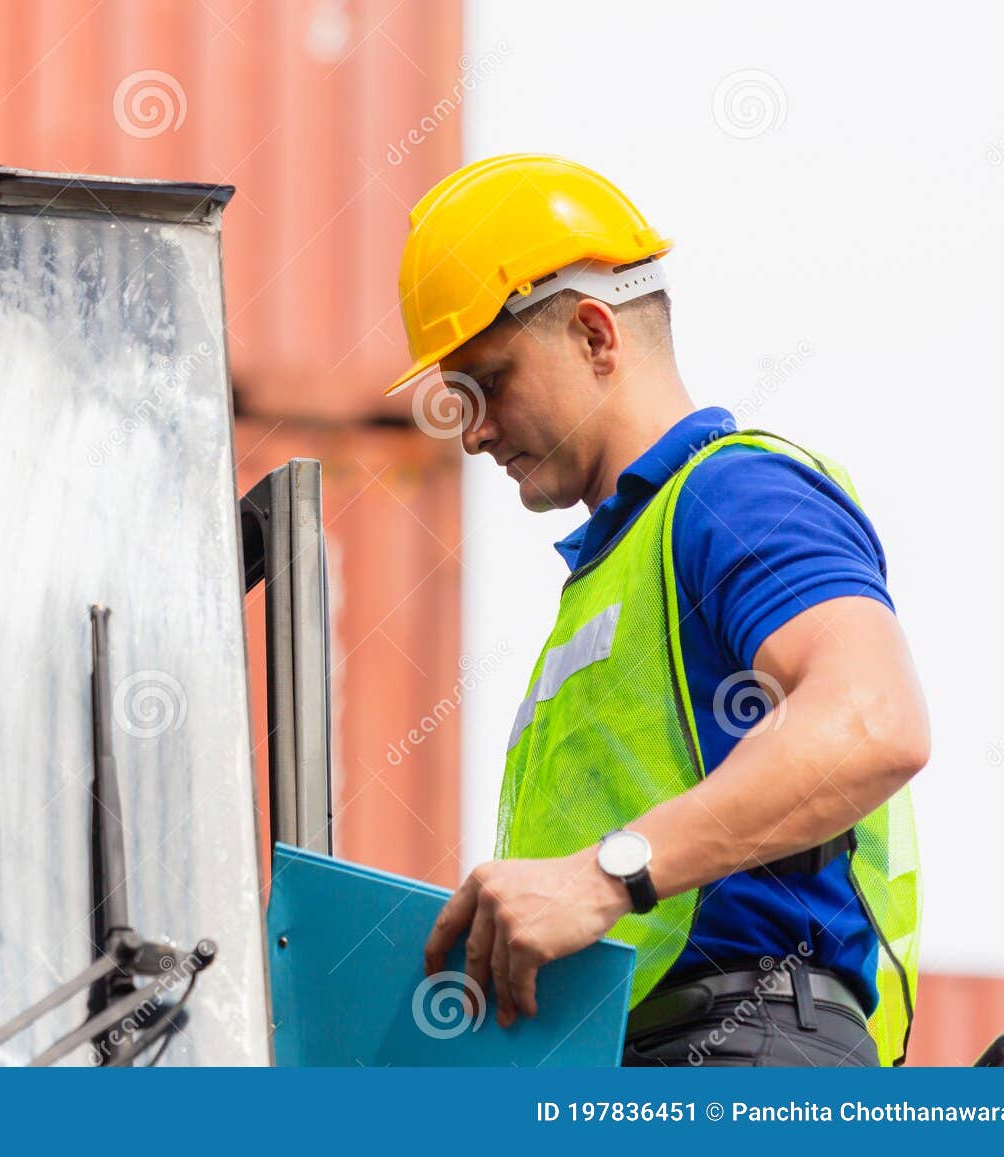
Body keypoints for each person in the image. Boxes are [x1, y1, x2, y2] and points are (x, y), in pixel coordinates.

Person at [396, 155, 926, 1067]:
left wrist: (606, 876)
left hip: (744, 1051)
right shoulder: (608, 578)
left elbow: (875, 720)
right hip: (630, 1059)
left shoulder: (736, 491)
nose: (471, 429)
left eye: (486, 381)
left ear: (597, 335)